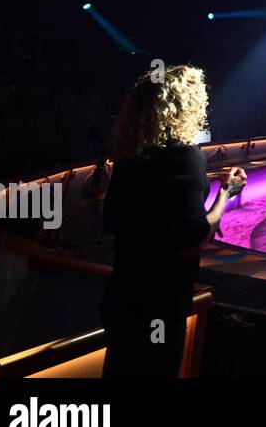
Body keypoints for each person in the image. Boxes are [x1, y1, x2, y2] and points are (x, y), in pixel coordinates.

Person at [101, 65, 246, 377]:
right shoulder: (185, 156)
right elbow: (192, 241)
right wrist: (226, 194)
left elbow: (112, 220)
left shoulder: (129, 156)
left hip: (122, 300)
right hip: (160, 306)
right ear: (186, 106)